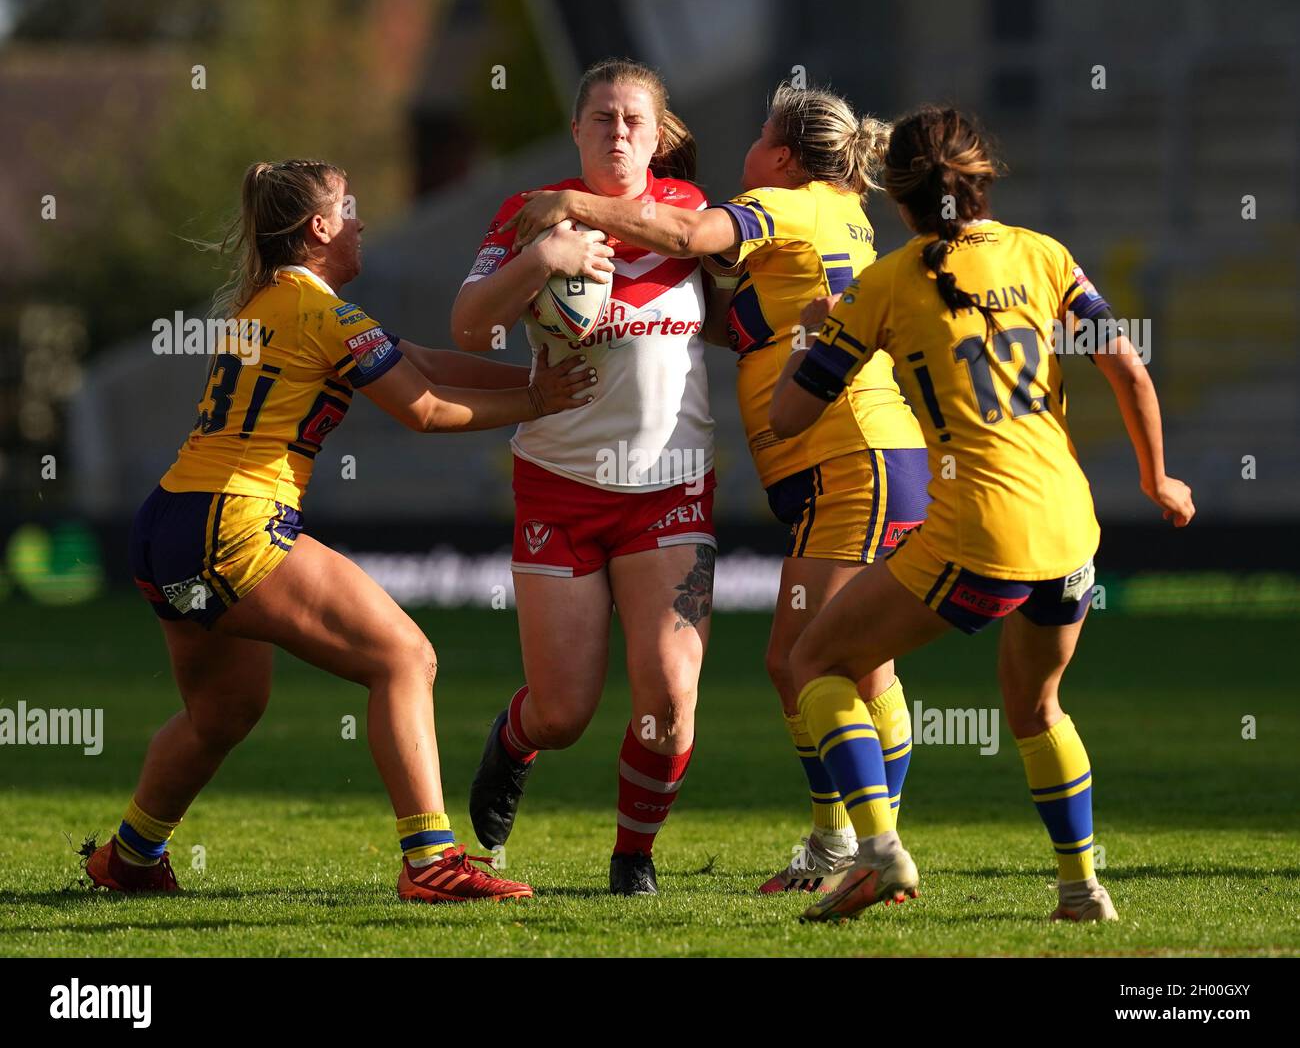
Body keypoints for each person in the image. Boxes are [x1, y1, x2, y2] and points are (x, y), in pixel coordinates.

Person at [87, 159, 595, 905]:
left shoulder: (273, 300)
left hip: (166, 524)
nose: (361, 222)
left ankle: (130, 856)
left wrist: (536, 380)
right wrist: (536, 405)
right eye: (349, 209)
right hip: (236, 523)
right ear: (320, 228)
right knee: (404, 656)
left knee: (222, 711)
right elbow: (422, 407)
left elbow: (419, 361)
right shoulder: (324, 312)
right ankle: (431, 861)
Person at [767, 107, 1195, 923]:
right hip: (1070, 525)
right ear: (983, 177)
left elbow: (789, 418)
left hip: (979, 530)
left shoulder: (883, 285)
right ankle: (1080, 888)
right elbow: (1128, 369)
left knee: (814, 660)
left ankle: (877, 850)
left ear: (900, 198)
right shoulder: (1044, 254)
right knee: (1038, 705)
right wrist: (1159, 479)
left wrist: (813, 333)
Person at [503, 82, 928, 895]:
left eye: (761, 133)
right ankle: (848, 844)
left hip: (854, 460)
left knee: (804, 658)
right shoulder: (842, 211)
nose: (750, 151)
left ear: (784, 154)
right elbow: (736, 299)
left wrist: (575, 203)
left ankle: (859, 848)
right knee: (859, 668)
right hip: (861, 461)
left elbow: (692, 229)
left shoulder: (787, 202)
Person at [451, 60, 715, 896]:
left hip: (672, 488)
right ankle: (515, 740)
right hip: (560, 485)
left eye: (634, 118)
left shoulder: (690, 211)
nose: (618, 130)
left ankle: (632, 855)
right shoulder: (528, 214)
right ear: (576, 130)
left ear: (659, 132)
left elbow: (700, 259)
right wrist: (547, 257)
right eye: (601, 116)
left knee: (669, 697)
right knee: (564, 711)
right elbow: (468, 326)